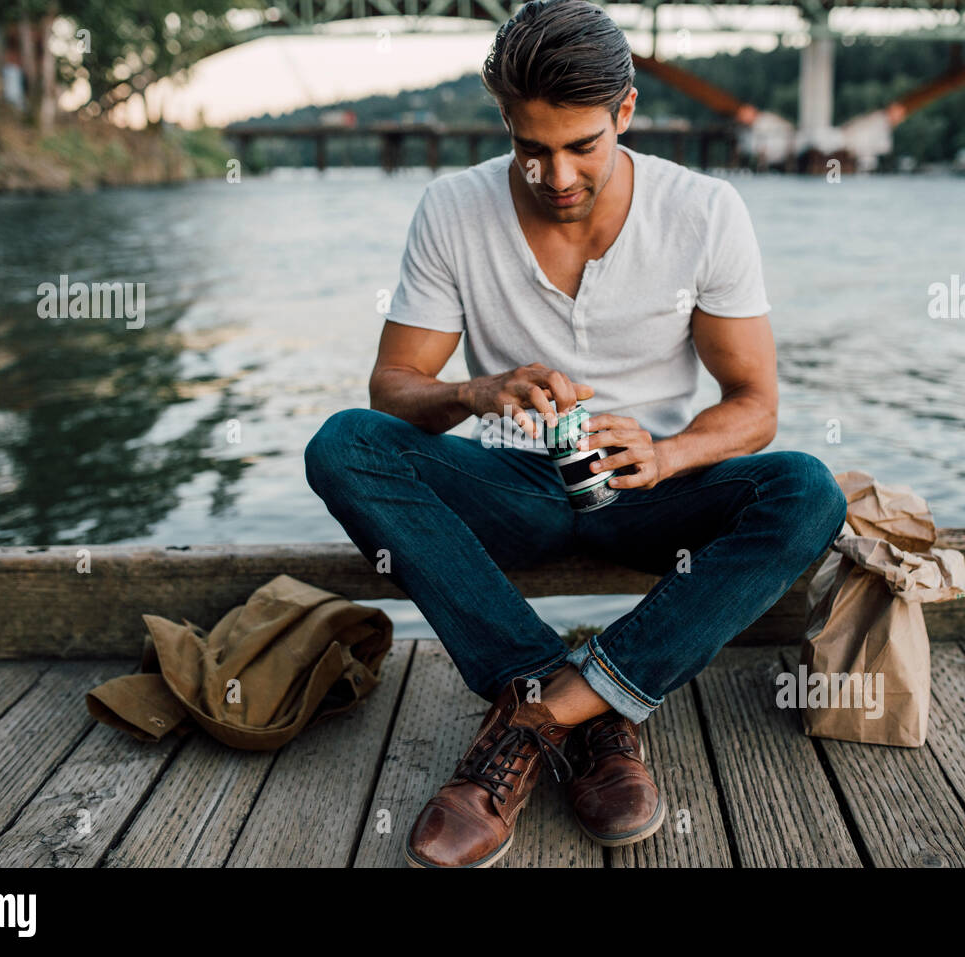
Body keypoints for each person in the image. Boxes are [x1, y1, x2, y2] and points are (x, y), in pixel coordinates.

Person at [304, 0, 847, 868]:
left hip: (650, 492)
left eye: (581, 146)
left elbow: (754, 405)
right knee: (344, 444)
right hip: (509, 486)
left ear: (625, 113)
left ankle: (539, 717)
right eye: (531, 147)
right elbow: (392, 390)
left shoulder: (705, 211)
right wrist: (479, 392)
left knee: (807, 491)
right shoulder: (452, 208)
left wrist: (670, 453)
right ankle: (591, 702)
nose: (554, 175)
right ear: (506, 124)